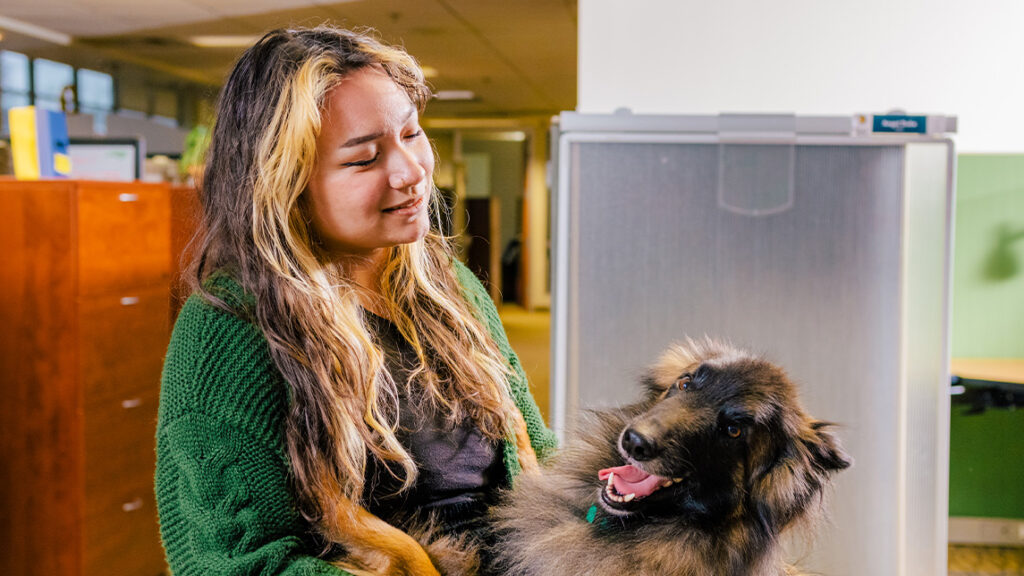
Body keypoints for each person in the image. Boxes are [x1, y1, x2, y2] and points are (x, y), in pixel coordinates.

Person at [155, 26, 556, 576]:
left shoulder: (451, 287)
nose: (412, 172)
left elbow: (535, 452)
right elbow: (230, 564)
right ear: (286, 183)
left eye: (412, 133)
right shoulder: (231, 326)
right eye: (365, 159)